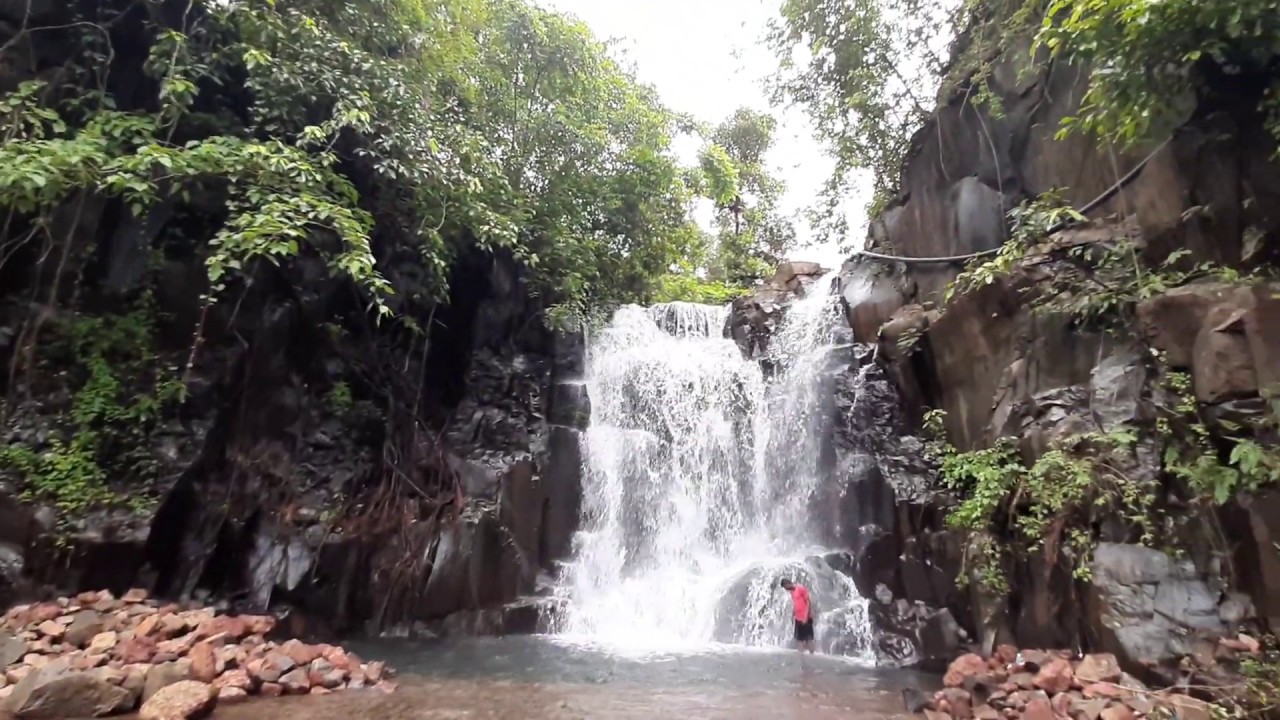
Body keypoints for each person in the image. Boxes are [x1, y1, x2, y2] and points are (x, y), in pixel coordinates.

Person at [779, 578, 815, 654]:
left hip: (806, 618)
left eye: (785, 587)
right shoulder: (792, 592)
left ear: (787, 584)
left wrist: (806, 616)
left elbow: (808, 602)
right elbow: (796, 603)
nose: (786, 590)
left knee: (809, 639)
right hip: (798, 618)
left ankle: (812, 656)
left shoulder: (800, 588)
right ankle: (801, 656)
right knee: (799, 639)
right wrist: (793, 614)